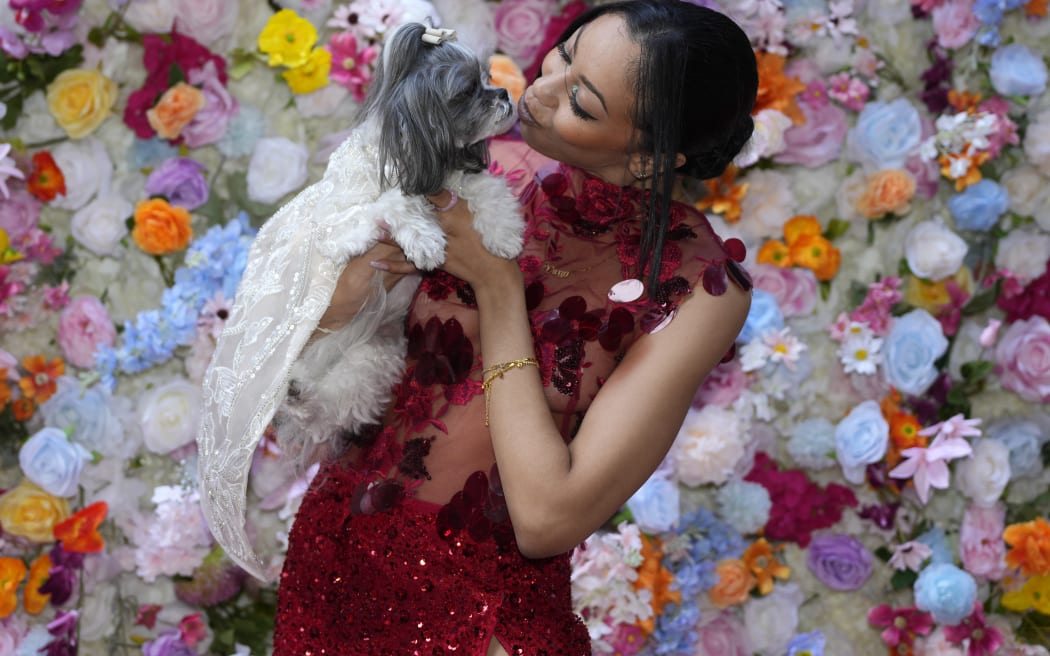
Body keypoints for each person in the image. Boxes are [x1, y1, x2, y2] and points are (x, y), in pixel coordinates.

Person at [272, 1, 758, 653]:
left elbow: (547, 520)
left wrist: (498, 290)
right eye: (564, 52)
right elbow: (297, 350)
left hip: (483, 617)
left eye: (581, 104)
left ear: (650, 160)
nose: (539, 89)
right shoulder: (476, 160)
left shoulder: (700, 287)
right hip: (334, 554)